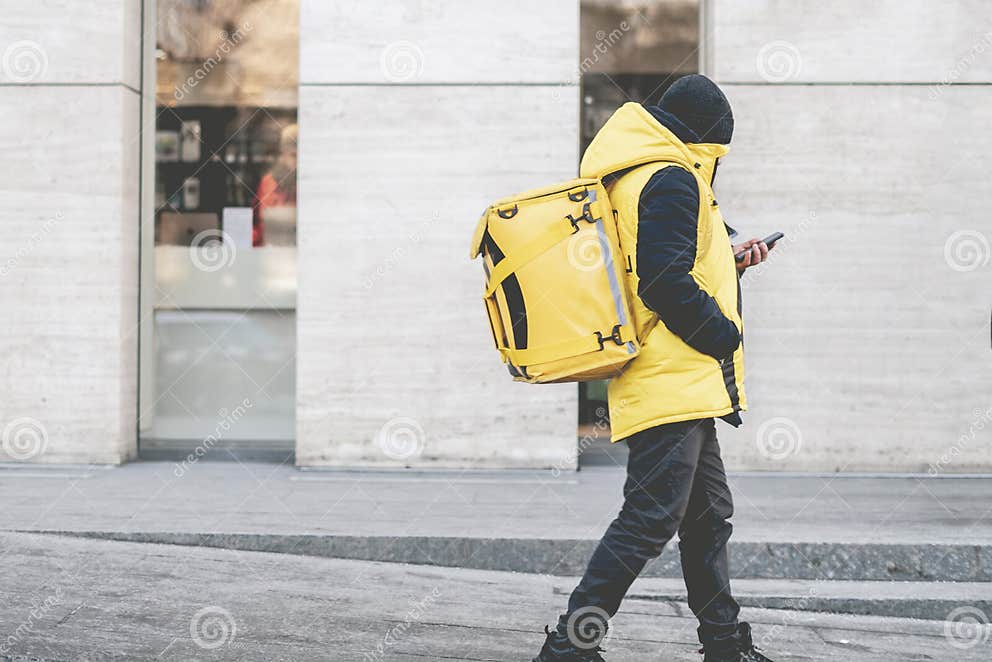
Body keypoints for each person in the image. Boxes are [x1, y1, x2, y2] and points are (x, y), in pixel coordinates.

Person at [533, 75, 776, 662]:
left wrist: (731, 264)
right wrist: (724, 333)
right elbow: (664, 282)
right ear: (706, 141)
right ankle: (569, 645)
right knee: (649, 517)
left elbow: (661, 265)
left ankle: (724, 644)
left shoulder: (635, 172)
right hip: (671, 378)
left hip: (680, 381)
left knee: (708, 517)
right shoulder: (671, 177)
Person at [252, 123, 298, 246]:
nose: (298, 161)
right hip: (270, 249)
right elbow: (256, 224)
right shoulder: (268, 183)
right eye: (294, 155)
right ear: (283, 154)